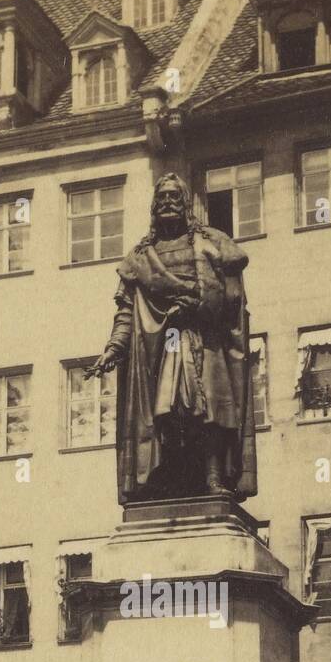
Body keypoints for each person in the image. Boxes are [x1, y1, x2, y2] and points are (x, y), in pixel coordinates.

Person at [86, 173, 257, 503]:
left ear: (186, 205)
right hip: (162, 347)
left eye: (174, 197)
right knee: (169, 413)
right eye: (160, 198)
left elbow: (230, 299)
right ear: (153, 207)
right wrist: (114, 348)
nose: (167, 203)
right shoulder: (140, 258)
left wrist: (198, 305)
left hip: (205, 339)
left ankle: (212, 478)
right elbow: (126, 312)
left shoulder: (211, 243)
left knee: (212, 412)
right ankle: (174, 479)